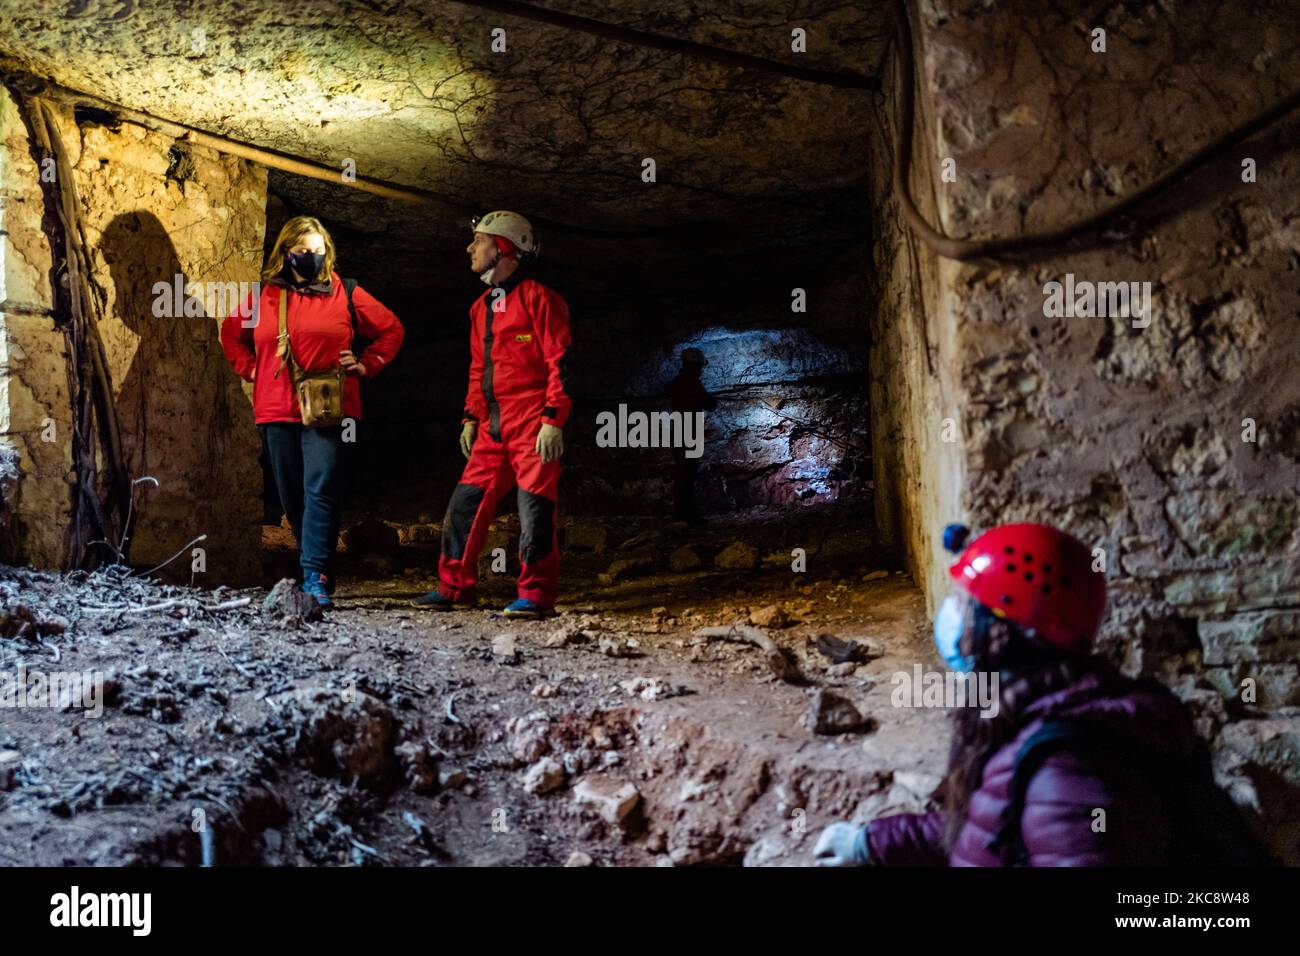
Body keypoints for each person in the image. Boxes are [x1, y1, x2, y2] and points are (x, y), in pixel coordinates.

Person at [814, 522, 1273, 867]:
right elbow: (992, 826)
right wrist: (871, 842)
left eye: (966, 605)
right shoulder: (1040, 712)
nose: (952, 616)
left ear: (1005, 629)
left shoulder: (1068, 773)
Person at [221, 215, 404, 608]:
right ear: (286, 253)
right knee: (292, 499)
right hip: (275, 409)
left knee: (320, 489)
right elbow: (231, 334)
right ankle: (316, 566)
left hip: (330, 408)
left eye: (318, 251)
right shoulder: (263, 297)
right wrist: (250, 368)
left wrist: (366, 363)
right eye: (303, 251)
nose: (311, 257)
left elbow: (391, 330)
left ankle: (313, 576)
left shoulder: (347, 292)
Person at [413, 210, 572, 619]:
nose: (470, 248)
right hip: (492, 426)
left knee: (535, 508)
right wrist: (470, 416)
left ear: (503, 247)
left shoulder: (540, 298)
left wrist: (553, 419)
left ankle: (536, 596)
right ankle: (454, 588)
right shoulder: (480, 307)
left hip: (533, 421)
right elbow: (477, 368)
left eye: (479, 241)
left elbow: (562, 362)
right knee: (465, 503)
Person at [665, 347, 716, 524]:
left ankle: (683, 514)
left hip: (679, 430)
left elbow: (669, 390)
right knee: (687, 474)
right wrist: (712, 399)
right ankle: (686, 516)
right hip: (689, 431)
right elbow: (708, 404)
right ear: (696, 365)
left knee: (683, 472)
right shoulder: (693, 383)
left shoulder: (677, 382)